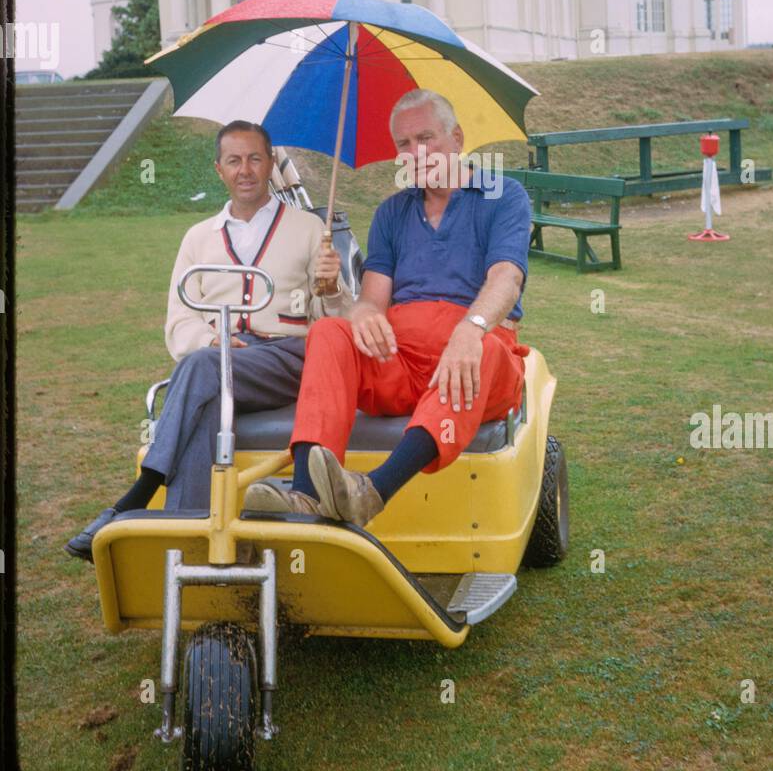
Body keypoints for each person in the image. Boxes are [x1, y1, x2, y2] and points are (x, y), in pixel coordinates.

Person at [64, 120, 352, 561]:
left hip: (287, 360)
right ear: (219, 169)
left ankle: (138, 496)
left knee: (201, 367)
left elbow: (338, 325)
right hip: (221, 364)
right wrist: (212, 339)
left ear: (270, 164)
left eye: (255, 159)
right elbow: (179, 319)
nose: (245, 170)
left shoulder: (310, 230)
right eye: (234, 161)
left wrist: (331, 289)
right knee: (208, 396)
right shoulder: (198, 237)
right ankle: (193, 552)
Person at [244, 89, 532, 528]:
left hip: (473, 356)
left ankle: (374, 489)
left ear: (456, 138)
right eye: (403, 143)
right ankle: (305, 491)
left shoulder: (503, 195)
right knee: (329, 332)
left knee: (487, 349)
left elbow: (506, 279)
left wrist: (471, 328)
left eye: (426, 138)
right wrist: (362, 314)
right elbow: (373, 300)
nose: (415, 152)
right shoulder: (392, 213)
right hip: (401, 358)